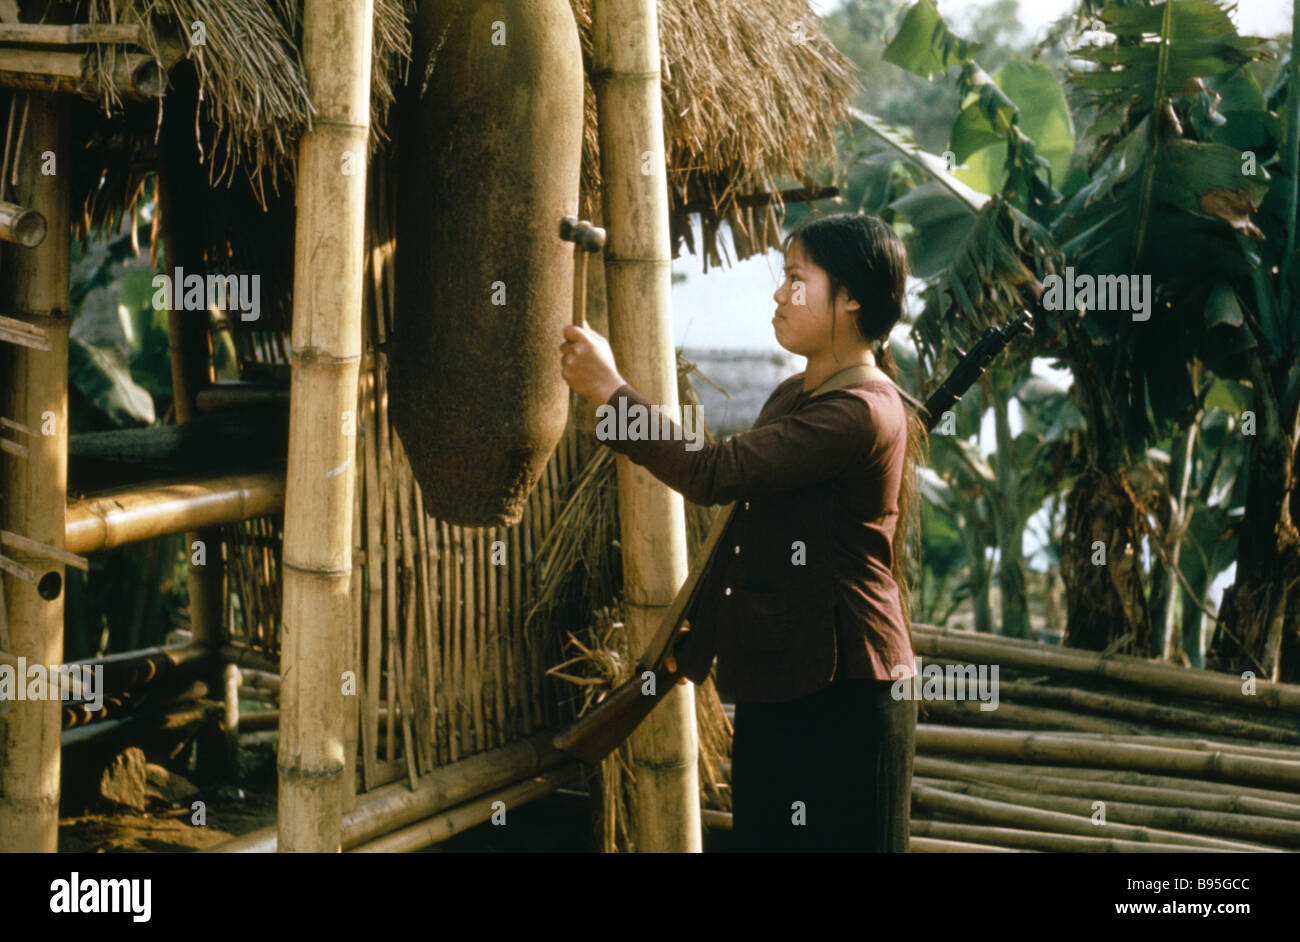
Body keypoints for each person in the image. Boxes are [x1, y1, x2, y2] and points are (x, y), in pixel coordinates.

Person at [558, 212, 926, 852]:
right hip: (784, 675)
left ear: (851, 300)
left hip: (848, 687)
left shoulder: (860, 414)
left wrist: (610, 391)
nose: (780, 295)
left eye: (796, 279)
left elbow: (712, 472)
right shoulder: (795, 395)